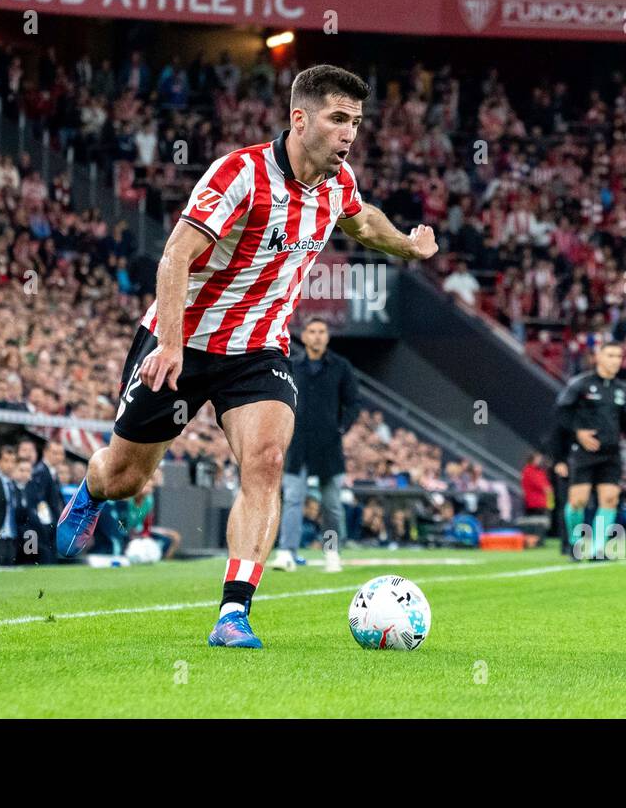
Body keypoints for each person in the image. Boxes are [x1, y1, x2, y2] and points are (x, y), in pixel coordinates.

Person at [56, 64, 437, 649]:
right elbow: (176, 257)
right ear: (299, 118)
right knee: (127, 478)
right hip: (182, 343)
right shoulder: (240, 173)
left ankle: (233, 613)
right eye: (338, 120)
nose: (348, 134)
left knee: (265, 461)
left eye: (355, 123)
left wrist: (408, 245)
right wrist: (170, 344)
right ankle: (89, 489)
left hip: (259, 348)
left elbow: (362, 221)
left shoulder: (338, 184)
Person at [273, 317, 358, 573]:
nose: (317, 336)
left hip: (329, 445)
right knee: (292, 500)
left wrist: (341, 428)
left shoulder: (341, 367)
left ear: (327, 337)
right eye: (312, 331)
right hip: (297, 445)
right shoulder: (292, 365)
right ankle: (287, 552)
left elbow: (353, 403)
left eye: (322, 331)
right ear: (305, 336)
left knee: (331, 504)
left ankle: (332, 552)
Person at [551, 341, 626, 560]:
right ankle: (575, 544)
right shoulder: (580, 384)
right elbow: (561, 413)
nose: (615, 360)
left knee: (610, 499)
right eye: (610, 355)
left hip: (612, 453)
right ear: (598, 357)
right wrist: (578, 433)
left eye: (619, 356)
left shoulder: (621, 390)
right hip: (584, 452)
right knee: (578, 501)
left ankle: (597, 549)